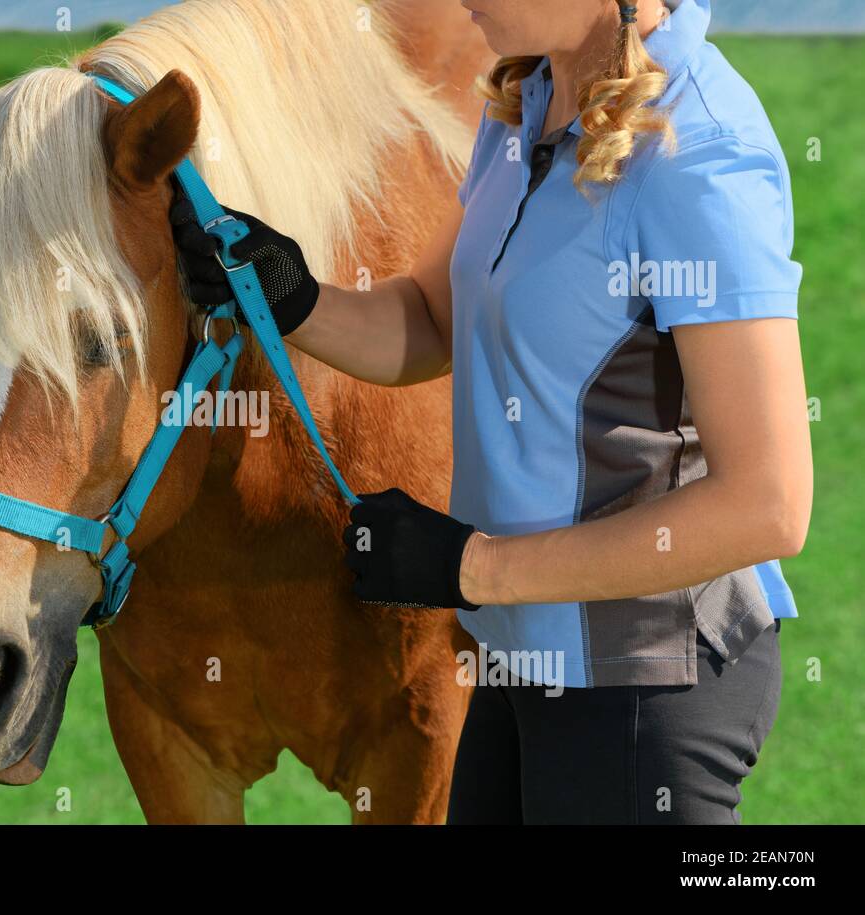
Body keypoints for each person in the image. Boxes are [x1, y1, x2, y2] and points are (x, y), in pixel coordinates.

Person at [168, 0, 810, 824]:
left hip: (642, 689)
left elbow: (768, 505)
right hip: (512, 667)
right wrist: (287, 293)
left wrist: (472, 568)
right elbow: (434, 324)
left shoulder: (701, 154)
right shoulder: (530, 108)